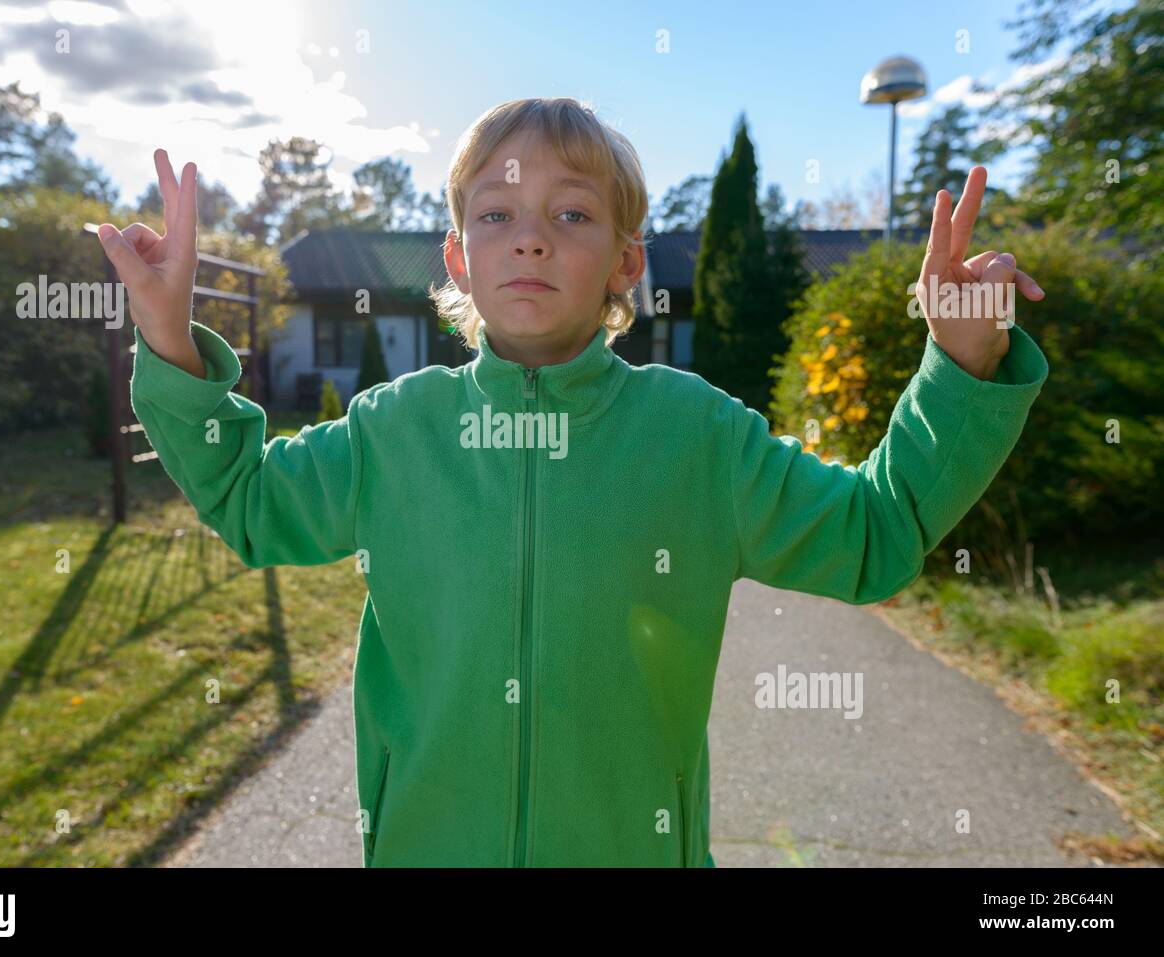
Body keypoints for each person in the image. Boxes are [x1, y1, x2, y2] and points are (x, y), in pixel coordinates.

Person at [95, 97, 1049, 867]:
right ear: (459, 258)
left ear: (625, 263)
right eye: (498, 214)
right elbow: (254, 506)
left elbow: (871, 535)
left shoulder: (697, 435)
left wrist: (959, 368)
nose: (532, 239)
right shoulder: (396, 430)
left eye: (572, 214)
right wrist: (172, 338)